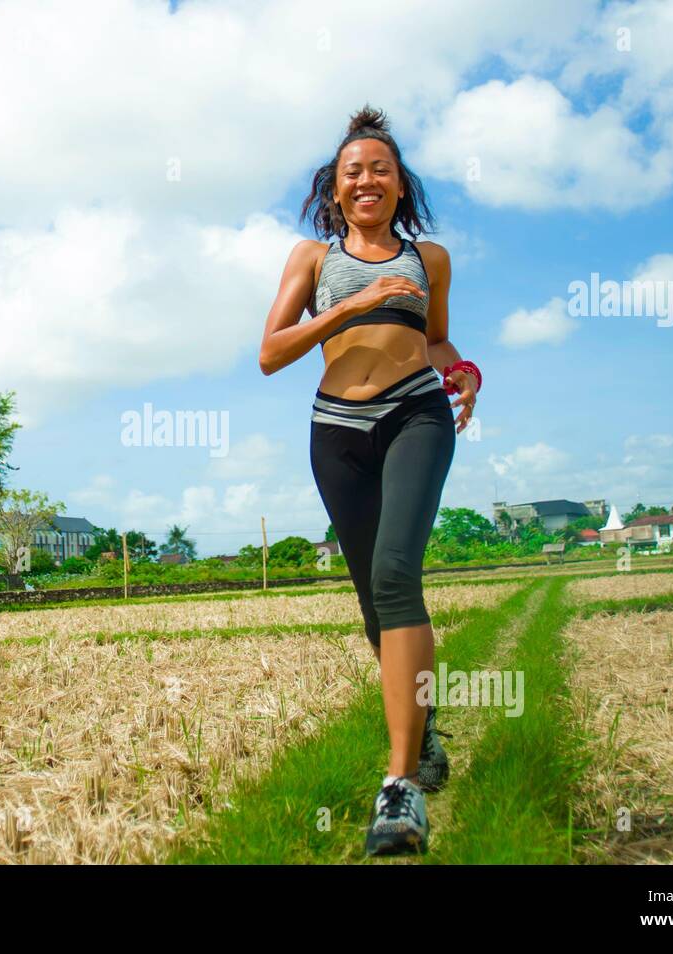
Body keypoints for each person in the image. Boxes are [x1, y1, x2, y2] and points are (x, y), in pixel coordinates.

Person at [258, 104, 481, 856]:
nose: (367, 179)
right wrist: (349, 305)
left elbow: (438, 334)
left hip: (416, 413)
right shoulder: (311, 260)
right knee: (371, 602)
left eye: (380, 168)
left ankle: (400, 788)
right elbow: (270, 352)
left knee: (395, 577)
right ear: (335, 189)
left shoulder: (432, 259)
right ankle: (422, 738)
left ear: (399, 185)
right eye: (354, 170)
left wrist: (462, 370)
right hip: (337, 431)